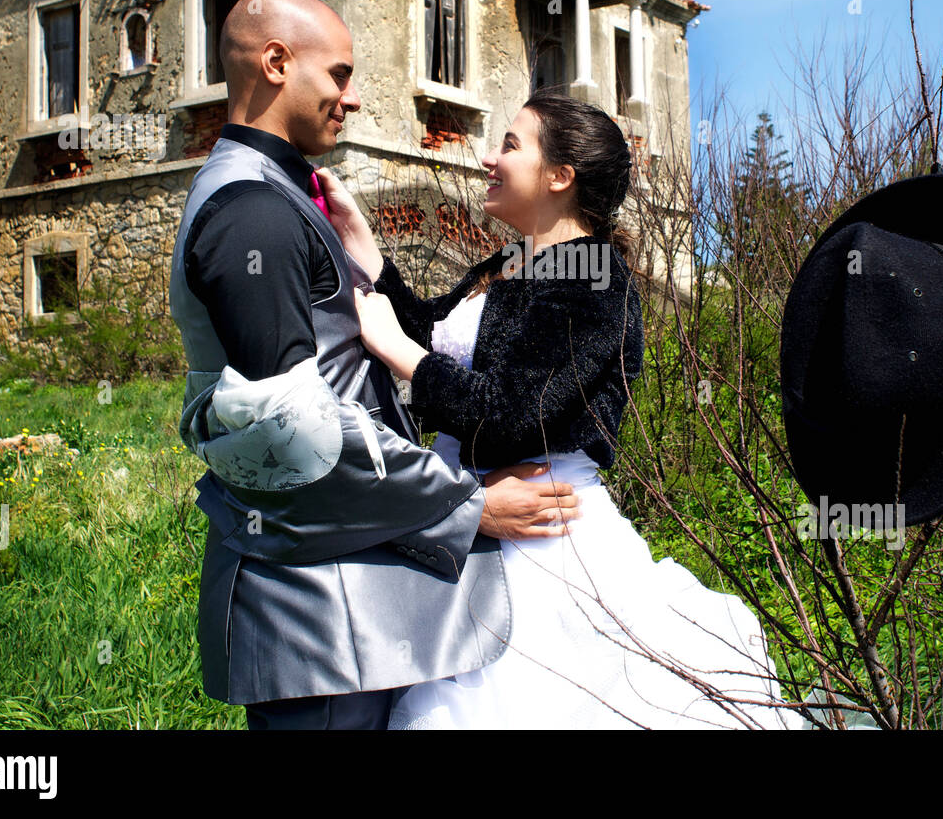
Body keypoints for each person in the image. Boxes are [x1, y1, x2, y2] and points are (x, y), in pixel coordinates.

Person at [318, 90, 806, 729]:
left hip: (546, 544)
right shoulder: (512, 264)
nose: (491, 160)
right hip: (485, 526)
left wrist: (397, 354)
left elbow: (512, 413)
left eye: (511, 145)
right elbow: (435, 335)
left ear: (559, 176)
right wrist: (366, 249)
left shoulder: (592, 277)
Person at [170, 0, 580, 730]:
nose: (351, 99)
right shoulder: (252, 211)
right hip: (319, 618)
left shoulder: (272, 195)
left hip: (346, 599)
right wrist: (470, 505)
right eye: (339, 75)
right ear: (274, 62)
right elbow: (288, 434)